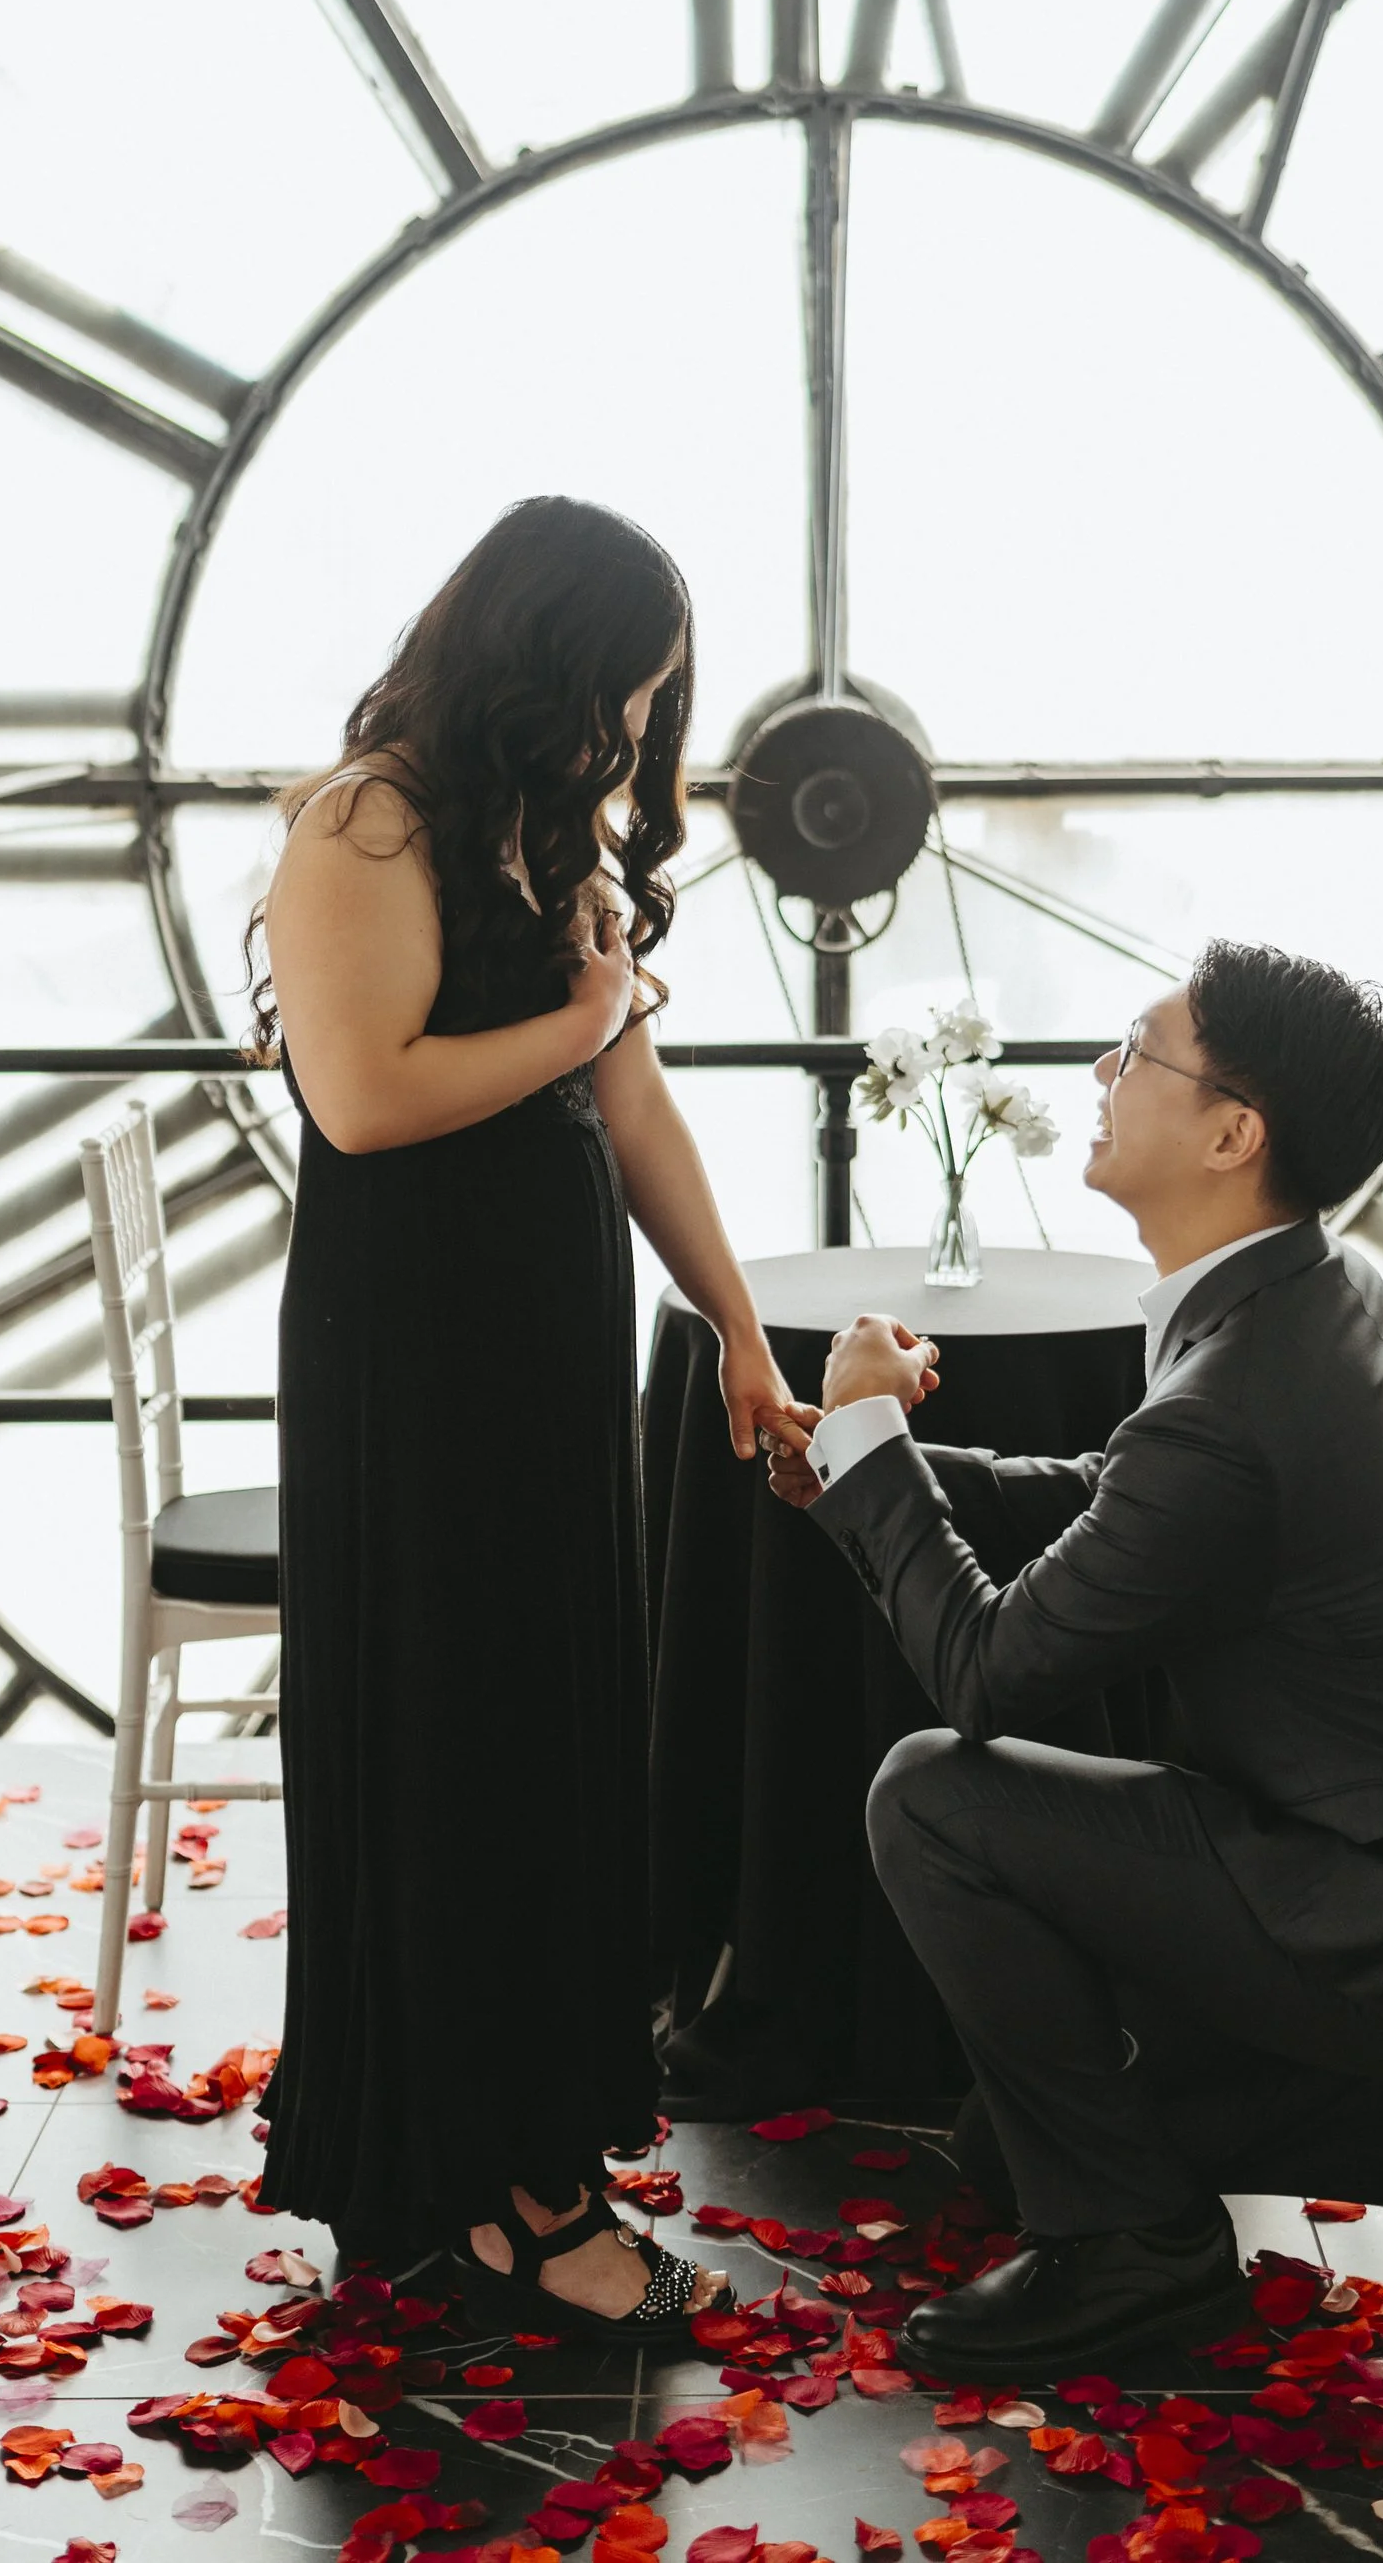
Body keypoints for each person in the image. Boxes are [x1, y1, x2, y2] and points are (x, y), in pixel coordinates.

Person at [767, 939, 1383, 2368]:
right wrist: (879, 1457)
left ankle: (1140, 2247)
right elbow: (1127, 1495)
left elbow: (982, 1671)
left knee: (930, 1791)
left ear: (1233, 1133)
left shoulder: (1240, 1389)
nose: (1098, 1072)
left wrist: (867, 1438)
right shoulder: (1305, 1297)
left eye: (1135, 1053)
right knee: (992, 2147)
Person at [254, 496, 790, 2333]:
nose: (626, 741)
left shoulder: (528, 832)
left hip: (548, 1358)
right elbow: (364, 1098)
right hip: (414, 1369)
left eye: (647, 712)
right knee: (452, 1753)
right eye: (610, 698)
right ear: (526, 656)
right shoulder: (368, 824)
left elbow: (633, 1115)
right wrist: (589, 1016)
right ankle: (497, 2194)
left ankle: (520, 2158)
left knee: (548, 1751)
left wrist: (735, 1321)